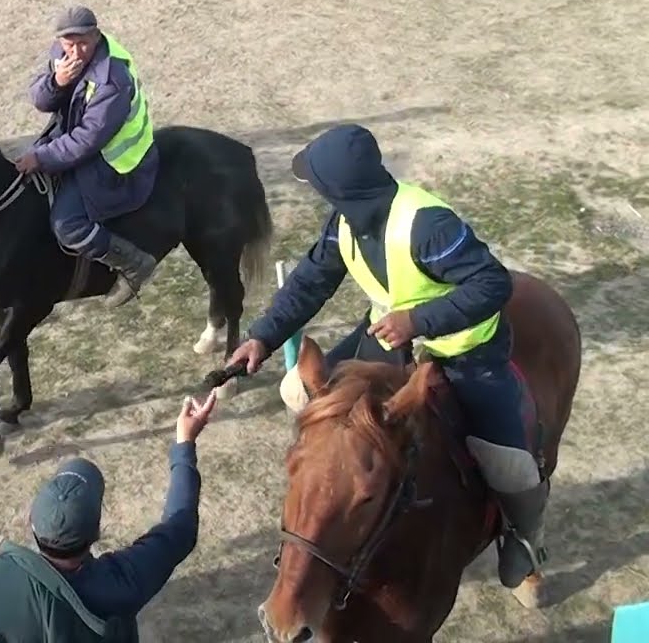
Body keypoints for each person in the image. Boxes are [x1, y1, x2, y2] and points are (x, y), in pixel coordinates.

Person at [224, 123, 547, 592]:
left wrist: (418, 322)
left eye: (319, 186)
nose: (317, 195)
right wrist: (262, 338)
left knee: (510, 466)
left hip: (465, 352)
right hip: (386, 340)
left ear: (341, 188)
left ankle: (523, 536)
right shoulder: (343, 222)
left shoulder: (429, 226)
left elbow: (493, 283)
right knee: (297, 389)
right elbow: (310, 280)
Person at [0, 390, 218, 642]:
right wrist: (184, 443)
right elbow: (180, 528)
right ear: (97, 533)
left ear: (29, 521)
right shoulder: (118, 586)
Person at [17, 5, 160, 307]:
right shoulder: (63, 53)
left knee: (67, 224)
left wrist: (41, 158)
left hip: (116, 160)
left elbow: (87, 140)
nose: (76, 51)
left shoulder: (112, 78)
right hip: (77, 136)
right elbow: (40, 99)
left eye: (83, 42)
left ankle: (134, 264)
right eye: (68, 44)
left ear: (96, 35)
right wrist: (57, 82)